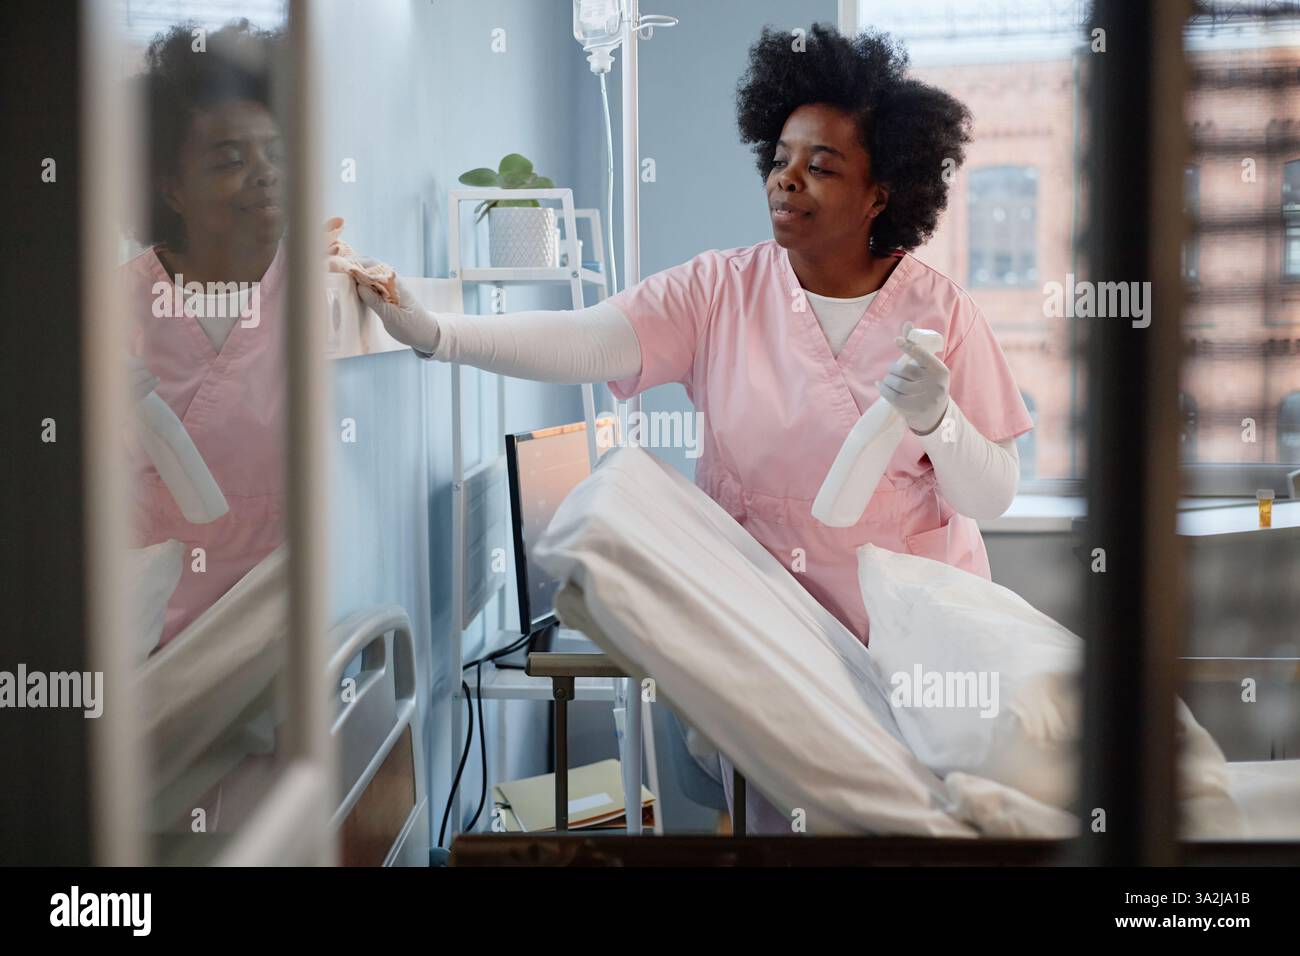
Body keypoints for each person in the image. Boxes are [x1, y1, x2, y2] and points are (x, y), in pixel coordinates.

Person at [358, 24, 1034, 831]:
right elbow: (586, 337)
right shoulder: (720, 291)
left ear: (882, 192)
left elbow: (990, 494)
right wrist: (438, 335)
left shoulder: (939, 311)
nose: (788, 181)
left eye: (822, 167)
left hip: (912, 652)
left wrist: (940, 419)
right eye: (781, 159)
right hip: (772, 652)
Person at [124, 20, 287, 648]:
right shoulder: (109, 312)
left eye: (276, 153)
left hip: (285, 645)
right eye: (230, 160)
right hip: (151, 644)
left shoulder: (325, 300)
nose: (265, 175)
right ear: (169, 188)